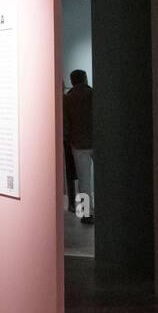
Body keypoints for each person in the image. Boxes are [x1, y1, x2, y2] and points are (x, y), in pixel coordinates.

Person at [63, 69, 94, 225]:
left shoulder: (68, 98)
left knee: (84, 181)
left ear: (72, 81)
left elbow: (66, 124)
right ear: (85, 78)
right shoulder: (92, 94)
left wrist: (69, 139)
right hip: (96, 141)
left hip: (78, 143)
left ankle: (86, 213)